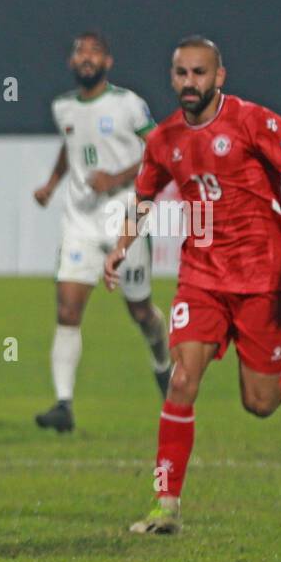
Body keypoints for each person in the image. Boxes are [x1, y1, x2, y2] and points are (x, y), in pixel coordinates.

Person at [104, 36, 281, 534]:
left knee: (260, 404)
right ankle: (166, 505)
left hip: (263, 280)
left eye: (199, 73)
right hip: (202, 279)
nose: (190, 83)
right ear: (172, 77)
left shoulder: (253, 121)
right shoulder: (164, 139)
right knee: (182, 379)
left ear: (219, 77)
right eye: (181, 73)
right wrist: (121, 246)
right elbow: (144, 196)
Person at [33, 31, 171, 433]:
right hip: (79, 222)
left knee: (141, 311)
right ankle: (63, 405)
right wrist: (52, 183)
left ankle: (164, 368)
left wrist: (118, 177)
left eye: (95, 52)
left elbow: (159, 149)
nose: (86, 57)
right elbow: (70, 147)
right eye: (80, 52)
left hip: (125, 220)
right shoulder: (63, 108)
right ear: (72, 62)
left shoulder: (127, 104)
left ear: (108, 62)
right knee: (67, 310)